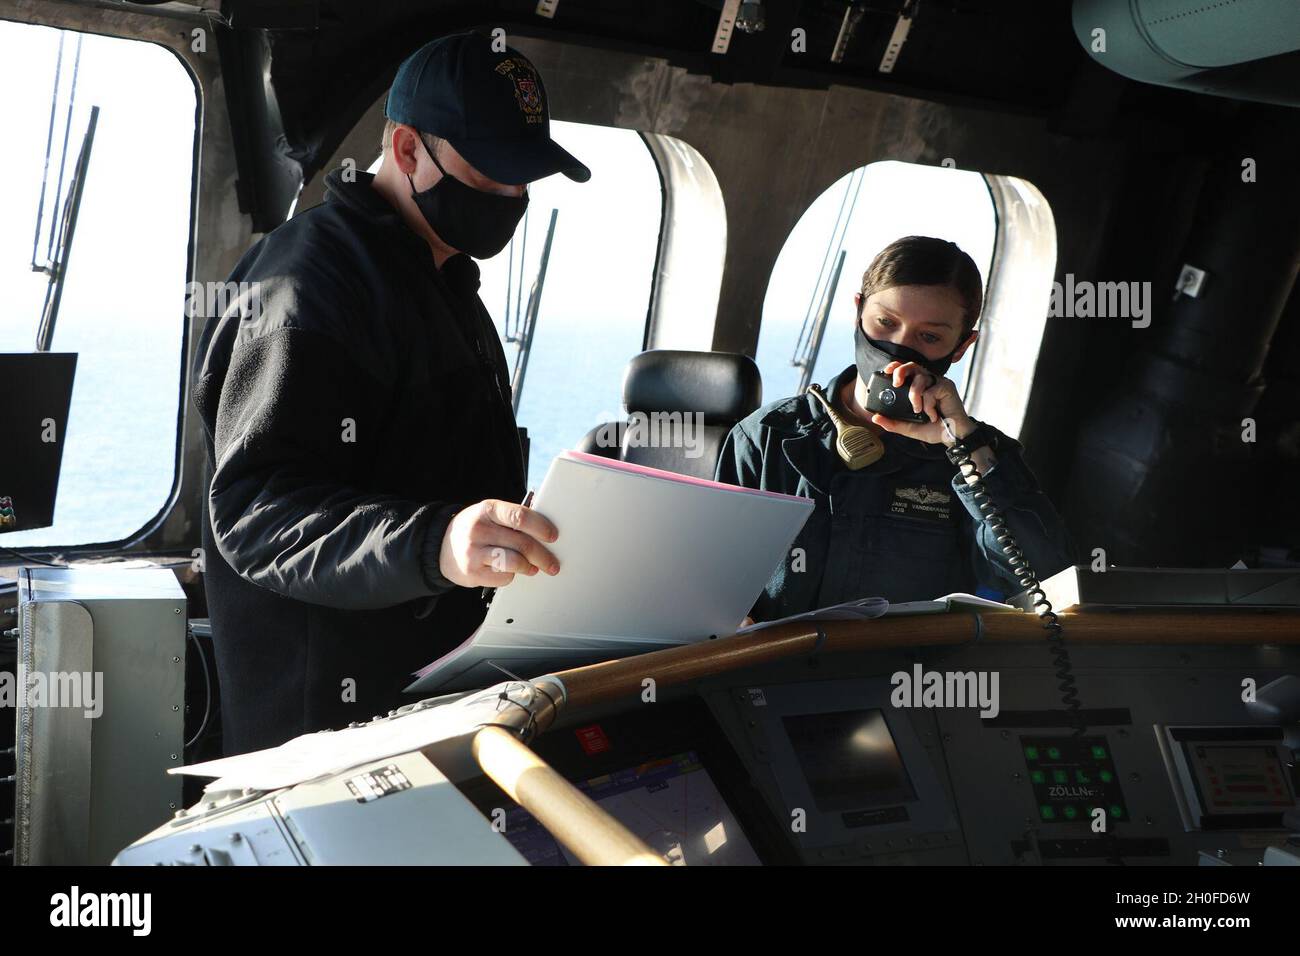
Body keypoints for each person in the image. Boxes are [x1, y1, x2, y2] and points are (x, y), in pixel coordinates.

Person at [192, 32, 589, 754]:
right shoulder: (306, 285)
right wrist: (434, 543)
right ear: (407, 149)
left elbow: (431, 470)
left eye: (525, 176)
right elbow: (255, 511)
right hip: (324, 736)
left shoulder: (443, 281)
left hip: (434, 701)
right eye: (495, 172)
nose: (513, 198)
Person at [716, 235, 1075, 622]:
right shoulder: (768, 437)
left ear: (961, 347)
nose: (898, 350)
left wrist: (963, 446)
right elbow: (711, 577)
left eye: (930, 337)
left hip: (907, 678)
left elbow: (1047, 582)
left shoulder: (982, 455)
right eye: (885, 322)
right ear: (858, 313)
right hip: (771, 671)